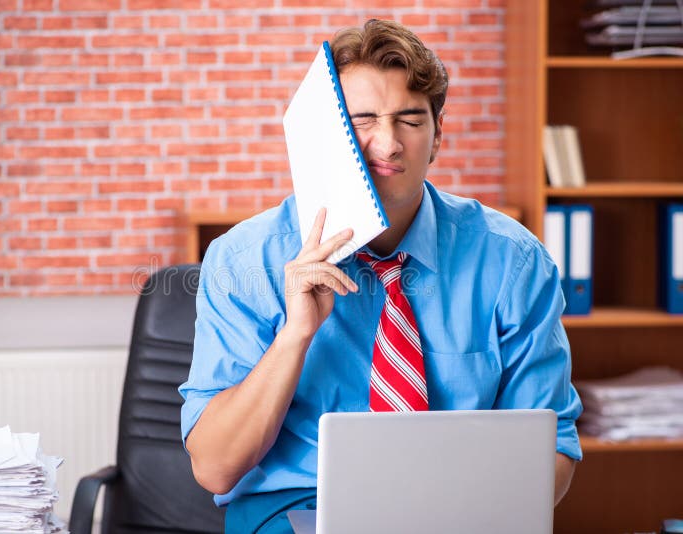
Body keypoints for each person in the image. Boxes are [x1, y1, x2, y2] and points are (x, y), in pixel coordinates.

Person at [180, 18, 582, 533]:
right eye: (363, 120)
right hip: (294, 510)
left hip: (460, 515)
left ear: (436, 138)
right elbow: (214, 468)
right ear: (330, 139)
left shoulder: (514, 263)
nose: (388, 144)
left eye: (411, 120)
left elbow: (551, 452)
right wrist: (295, 335)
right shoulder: (243, 259)